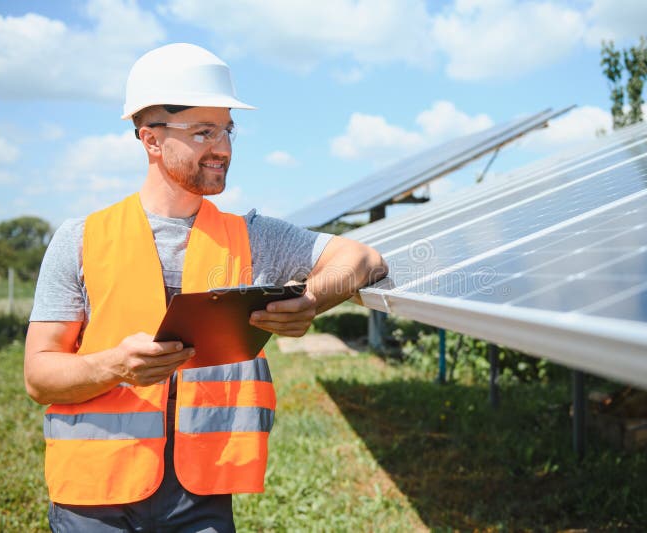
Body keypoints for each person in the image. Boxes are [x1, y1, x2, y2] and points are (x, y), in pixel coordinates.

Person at [24, 43, 388, 532]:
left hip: (201, 497)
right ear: (150, 140)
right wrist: (114, 365)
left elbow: (363, 259)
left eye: (227, 130)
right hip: (93, 494)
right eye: (203, 132)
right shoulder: (81, 240)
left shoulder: (254, 236)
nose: (224, 147)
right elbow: (38, 375)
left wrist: (313, 299)